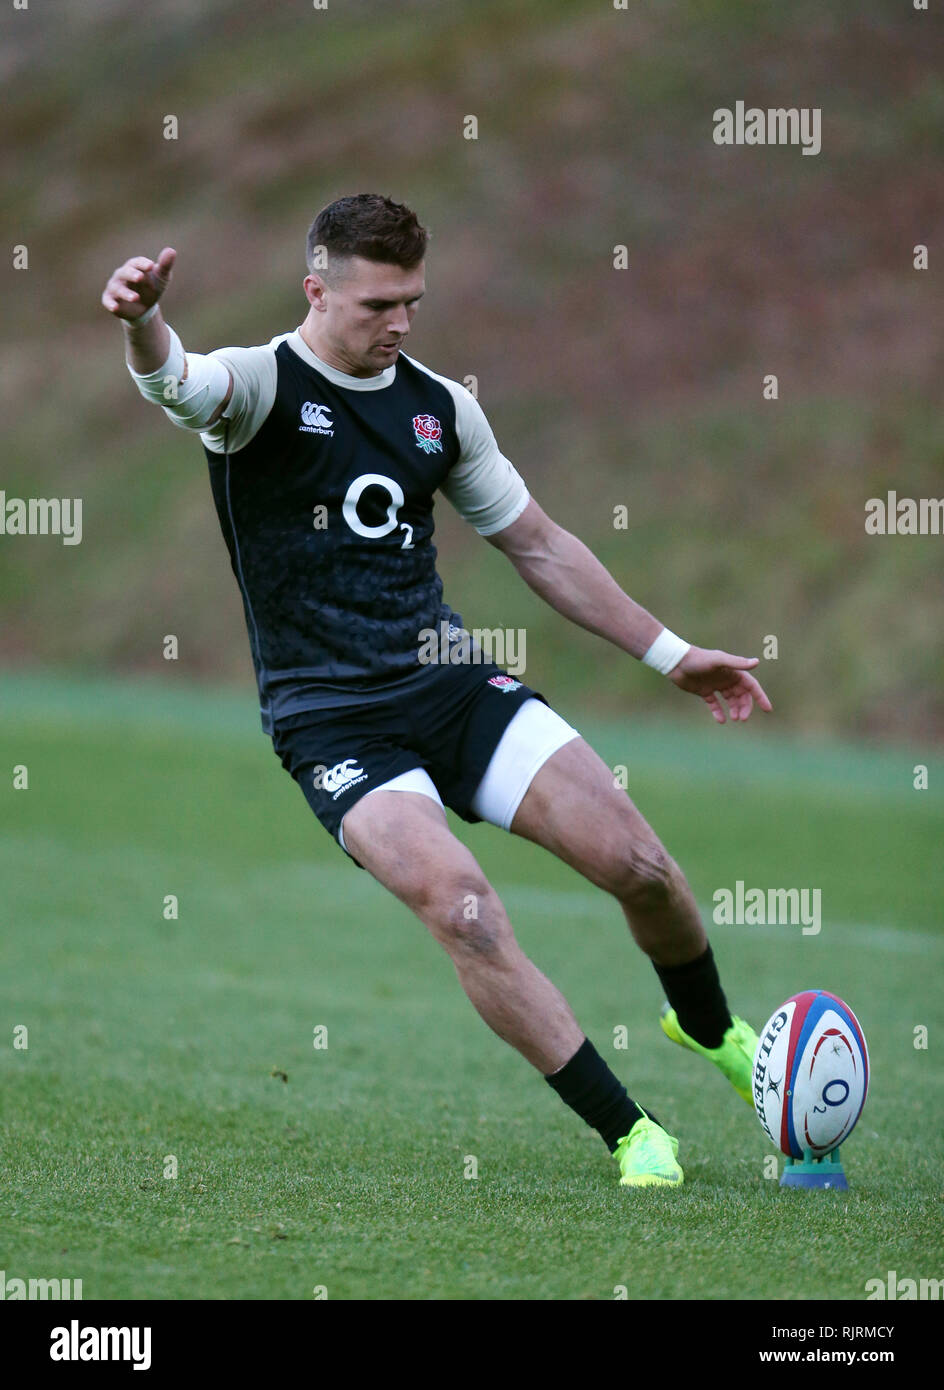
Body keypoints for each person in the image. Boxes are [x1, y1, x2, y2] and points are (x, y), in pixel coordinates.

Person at [102, 193, 773, 1188]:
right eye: (378, 303)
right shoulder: (259, 385)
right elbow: (179, 385)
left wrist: (670, 653)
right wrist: (144, 322)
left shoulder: (437, 408)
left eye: (412, 300)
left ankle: (709, 1027)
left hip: (448, 684)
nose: (400, 322)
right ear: (316, 288)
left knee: (637, 863)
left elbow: (537, 543)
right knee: (461, 906)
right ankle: (631, 1131)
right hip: (329, 718)